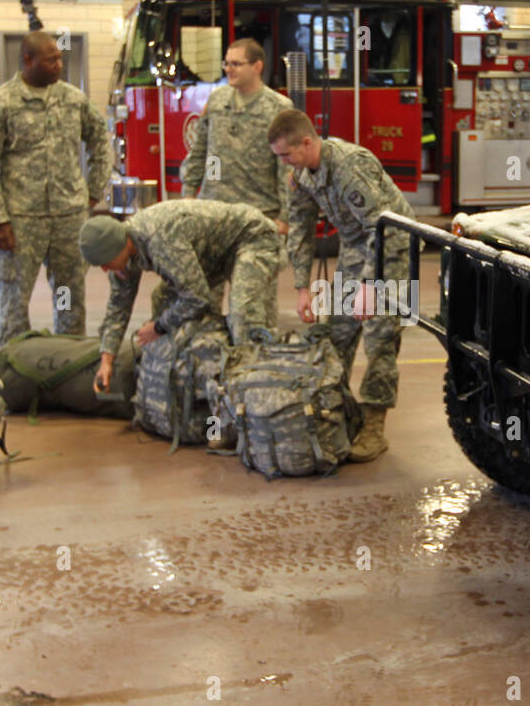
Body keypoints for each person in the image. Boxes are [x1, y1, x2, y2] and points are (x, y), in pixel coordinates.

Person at [267, 109, 414, 463]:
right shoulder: (301, 174)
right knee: (338, 333)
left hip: (392, 245)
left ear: (307, 142)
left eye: (287, 154)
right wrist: (302, 287)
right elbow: (300, 228)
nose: (284, 163)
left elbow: (382, 226)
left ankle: (375, 427)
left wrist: (369, 285)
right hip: (355, 245)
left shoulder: (349, 166)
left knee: (380, 338)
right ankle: (338, 411)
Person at [0, 31, 112, 349]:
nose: (58, 65)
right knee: (14, 302)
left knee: (68, 297)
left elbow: (101, 139)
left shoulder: (73, 100)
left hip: (68, 220)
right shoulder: (0, 103)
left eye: (60, 58)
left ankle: (66, 361)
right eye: (51, 60)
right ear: (28, 60)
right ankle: (14, 370)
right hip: (20, 222)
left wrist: (92, 192)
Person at [79, 201, 279, 393]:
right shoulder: (123, 250)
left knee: (242, 313)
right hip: (213, 255)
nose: (105, 270)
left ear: (118, 247)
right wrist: (106, 362)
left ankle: (253, 393)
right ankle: (188, 377)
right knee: (162, 299)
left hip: (252, 238)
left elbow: (197, 297)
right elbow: (118, 306)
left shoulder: (160, 240)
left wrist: (159, 327)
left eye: (105, 263)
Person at [179, 38, 293, 233]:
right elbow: (201, 150)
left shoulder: (279, 108)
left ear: (257, 67)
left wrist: (284, 217)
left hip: (258, 215)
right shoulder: (217, 100)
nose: (228, 69)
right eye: (226, 63)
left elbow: (286, 168)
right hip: (213, 210)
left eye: (236, 64)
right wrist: (189, 193)